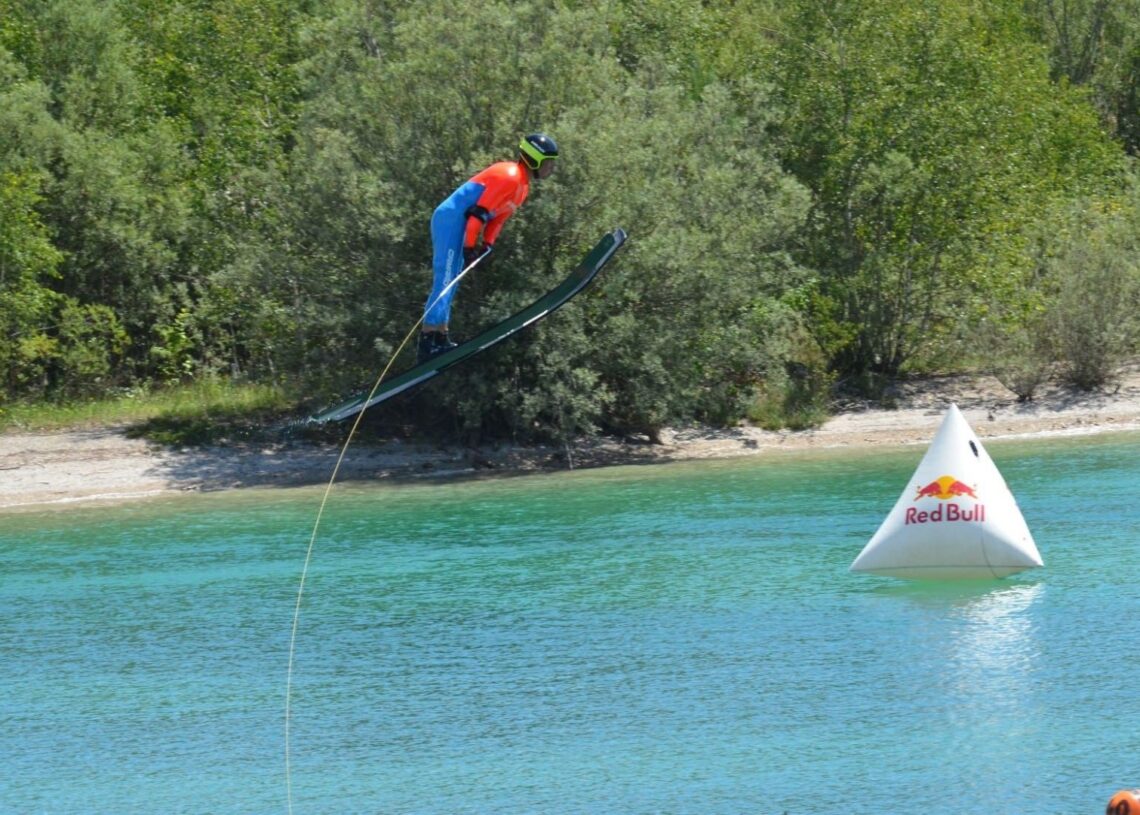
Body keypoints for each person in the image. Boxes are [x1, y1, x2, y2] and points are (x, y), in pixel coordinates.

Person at [418, 132, 559, 364]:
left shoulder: (522, 188)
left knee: (452, 278)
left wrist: (488, 244)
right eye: (548, 163)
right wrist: (470, 245)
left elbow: (497, 219)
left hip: (463, 225)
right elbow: (477, 214)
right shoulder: (511, 175)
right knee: (445, 277)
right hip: (452, 219)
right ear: (535, 159)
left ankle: (440, 336)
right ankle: (427, 342)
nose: (550, 169)